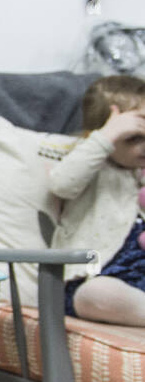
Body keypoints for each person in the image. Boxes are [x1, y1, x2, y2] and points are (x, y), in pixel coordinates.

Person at [51, 75, 145, 326]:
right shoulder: (93, 166)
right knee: (98, 295)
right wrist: (106, 136)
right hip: (95, 275)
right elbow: (61, 183)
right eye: (133, 138)